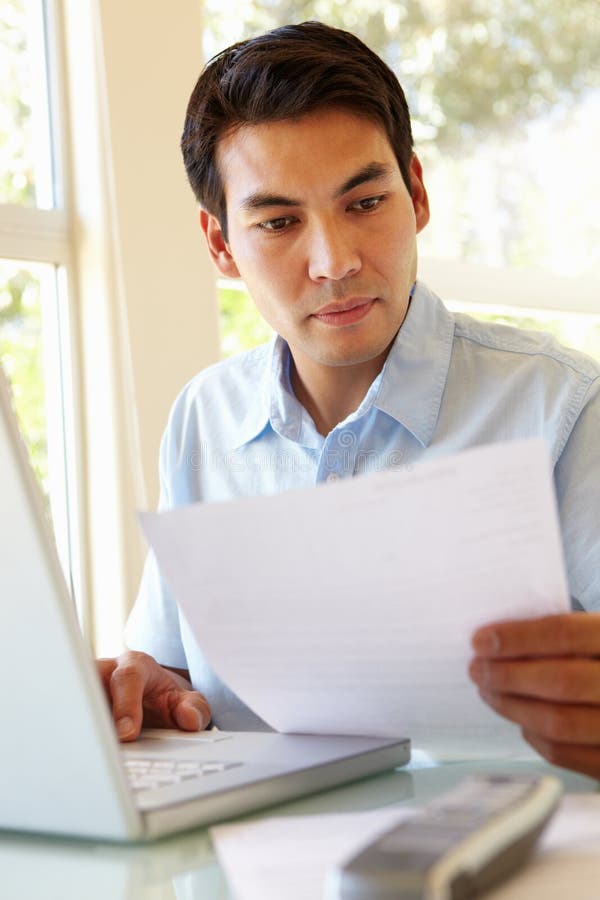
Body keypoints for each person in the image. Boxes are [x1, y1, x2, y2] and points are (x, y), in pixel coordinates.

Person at [98, 22, 600, 779]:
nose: (335, 262)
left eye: (364, 203)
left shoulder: (563, 408)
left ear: (417, 192)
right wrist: (151, 691)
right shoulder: (202, 420)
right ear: (221, 245)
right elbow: (172, 673)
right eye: (278, 222)